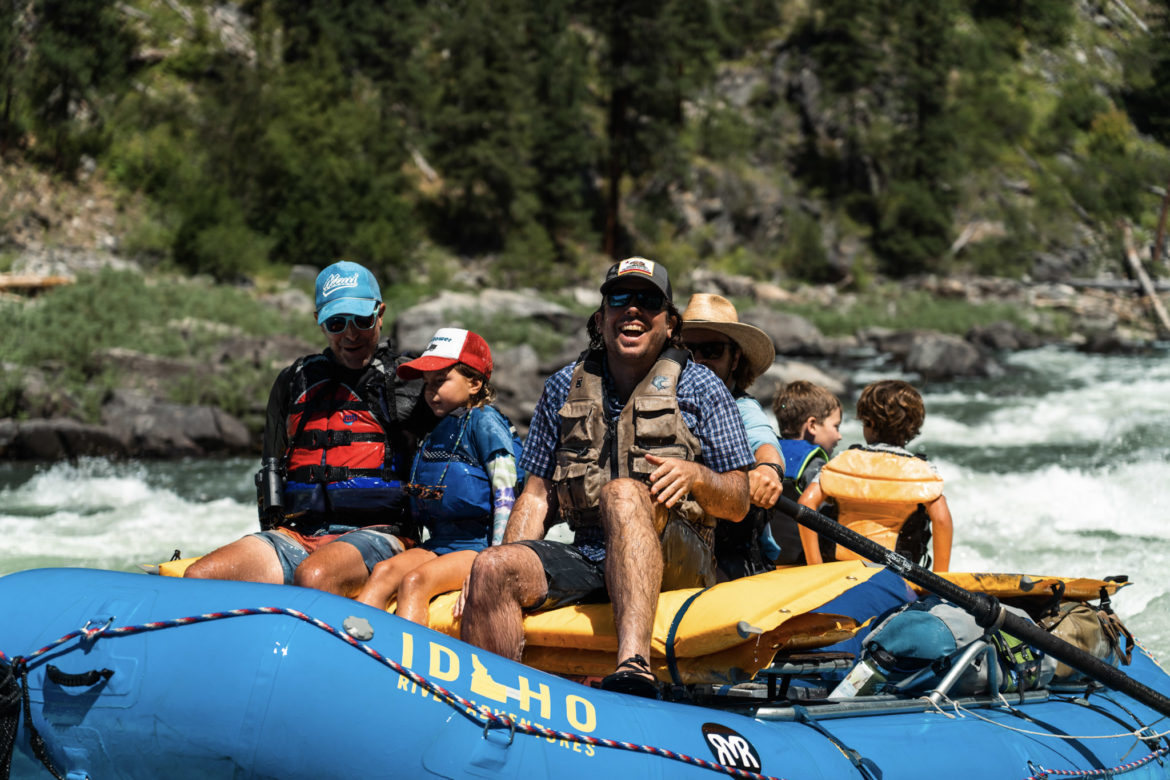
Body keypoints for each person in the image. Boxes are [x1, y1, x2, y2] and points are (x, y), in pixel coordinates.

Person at [457, 258, 753, 699]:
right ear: (601, 319)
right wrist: (494, 566)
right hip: (591, 554)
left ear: (671, 325)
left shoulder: (701, 386)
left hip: (679, 556)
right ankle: (494, 703)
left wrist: (698, 477)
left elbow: (740, 499)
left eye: (648, 301)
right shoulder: (562, 387)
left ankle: (633, 668)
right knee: (492, 565)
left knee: (622, 494)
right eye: (620, 299)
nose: (632, 310)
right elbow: (537, 496)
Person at [185, 261, 434, 594]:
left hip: (381, 532)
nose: (350, 333)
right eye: (336, 322)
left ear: (381, 314)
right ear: (320, 324)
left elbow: (460, 449)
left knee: (314, 576)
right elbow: (272, 469)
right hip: (298, 535)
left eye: (361, 319)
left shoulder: (407, 381)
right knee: (200, 577)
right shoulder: (294, 381)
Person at [354, 328, 522, 626]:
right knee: (384, 573)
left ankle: (405, 664)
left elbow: (506, 494)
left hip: (478, 547)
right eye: (427, 383)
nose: (431, 391)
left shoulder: (485, 422)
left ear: (474, 382)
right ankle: (354, 651)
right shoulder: (437, 428)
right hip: (441, 543)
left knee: (415, 581)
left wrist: (491, 567)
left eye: (441, 380)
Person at [797, 379, 954, 572]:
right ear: (913, 428)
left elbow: (806, 504)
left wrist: (815, 566)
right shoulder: (922, 471)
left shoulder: (843, 462)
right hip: (896, 573)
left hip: (840, 571)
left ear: (868, 423)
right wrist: (940, 578)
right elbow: (941, 518)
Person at [679, 293, 784, 579]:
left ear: (735, 358)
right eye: (687, 350)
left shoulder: (743, 407)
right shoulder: (659, 402)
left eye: (712, 350)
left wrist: (767, 470)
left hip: (733, 558)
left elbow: (764, 442)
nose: (698, 361)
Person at [765, 380, 843, 565]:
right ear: (812, 425)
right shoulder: (814, 464)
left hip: (766, 560)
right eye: (836, 426)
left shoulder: (766, 454)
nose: (839, 436)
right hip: (801, 563)